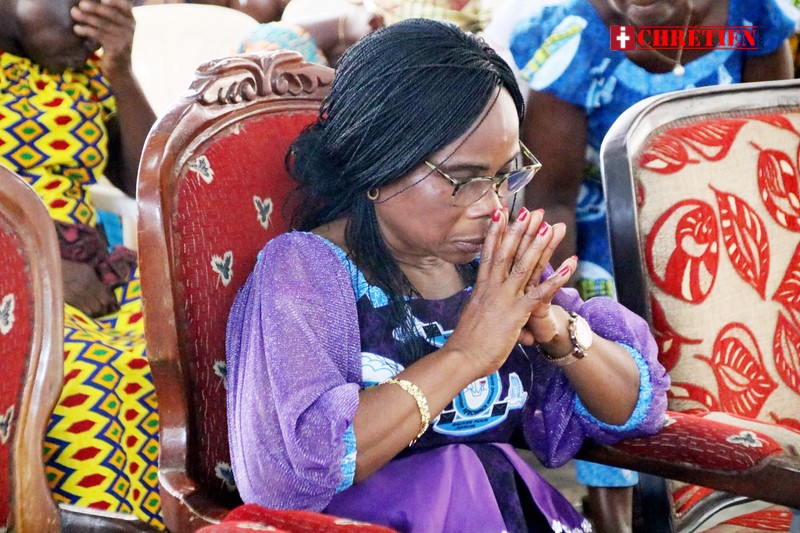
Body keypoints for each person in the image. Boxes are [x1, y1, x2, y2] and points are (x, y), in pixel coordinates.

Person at [226, 19, 670, 532]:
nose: (492, 205)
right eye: (462, 181)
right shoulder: (305, 271)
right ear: (377, 163)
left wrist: (556, 332)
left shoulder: (494, 260)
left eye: (506, 176)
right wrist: (466, 355)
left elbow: (636, 408)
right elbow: (294, 471)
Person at [509, 1, 798, 529]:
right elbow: (551, 199)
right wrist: (559, 307)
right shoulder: (576, 37)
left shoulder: (753, 19)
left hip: (738, 242)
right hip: (603, 247)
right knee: (607, 365)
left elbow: (772, 164)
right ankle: (617, 519)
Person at [0, 0, 162, 527]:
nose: (94, 26)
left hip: (92, 271)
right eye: (80, 3)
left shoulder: (83, 69)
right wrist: (34, 267)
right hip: (13, 273)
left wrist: (119, 71)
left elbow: (146, 181)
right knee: (88, 377)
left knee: (172, 354)